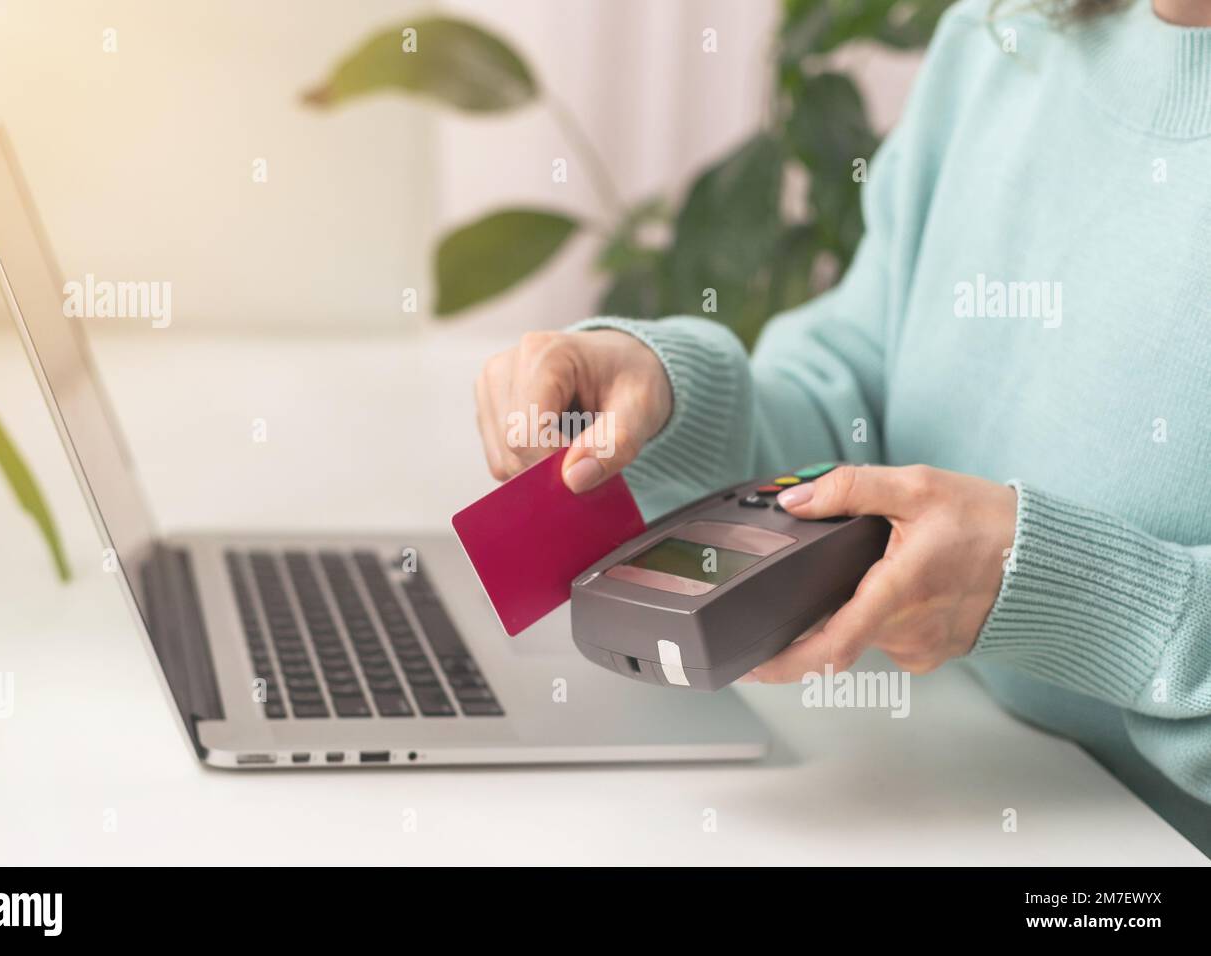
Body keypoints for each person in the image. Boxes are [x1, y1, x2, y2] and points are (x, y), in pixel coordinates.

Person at [473, 0, 1211, 851]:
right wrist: (669, 401)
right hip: (944, 787)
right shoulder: (1002, 37)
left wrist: (1060, 595)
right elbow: (857, 398)